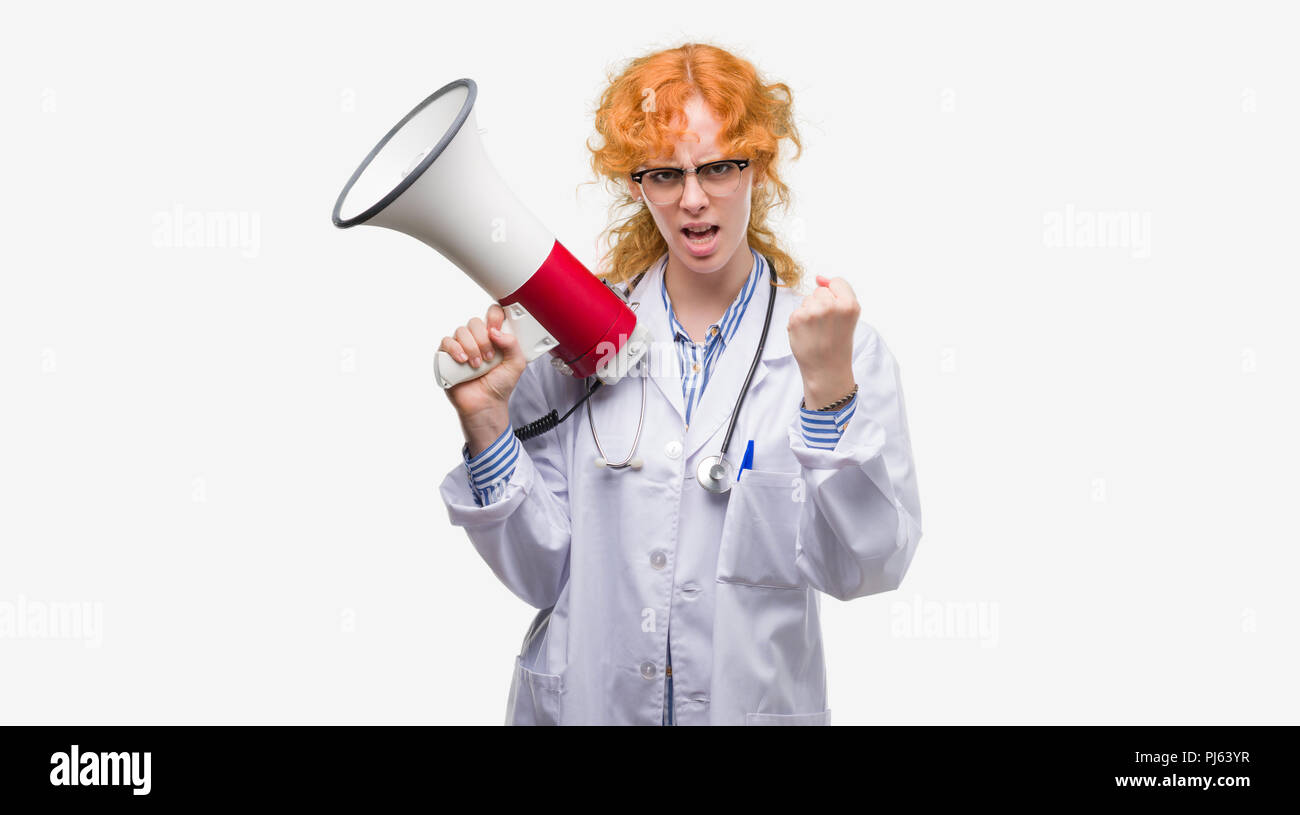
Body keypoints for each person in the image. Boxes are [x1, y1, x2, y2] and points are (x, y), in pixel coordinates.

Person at [437, 42, 922, 725]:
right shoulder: (573, 345)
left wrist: (829, 393)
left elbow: (866, 567)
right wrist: (487, 425)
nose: (692, 200)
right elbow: (539, 573)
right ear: (636, 183)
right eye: (665, 174)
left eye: (720, 167)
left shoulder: (837, 348)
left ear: (760, 163)